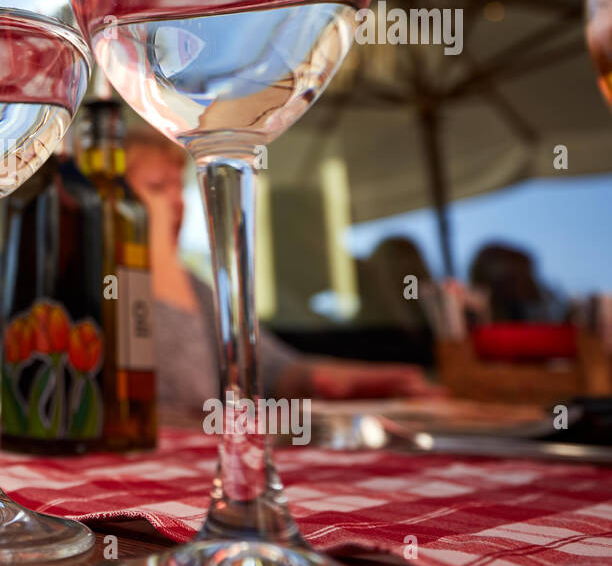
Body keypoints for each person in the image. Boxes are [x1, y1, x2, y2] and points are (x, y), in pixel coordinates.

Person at [123, 127, 441, 407]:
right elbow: (186, 394)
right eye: (156, 188)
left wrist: (362, 380)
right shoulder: (103, 284)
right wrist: (159, 258)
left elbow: (272, 368)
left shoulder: (197, 290)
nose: (178, 202)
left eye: (180, 187)